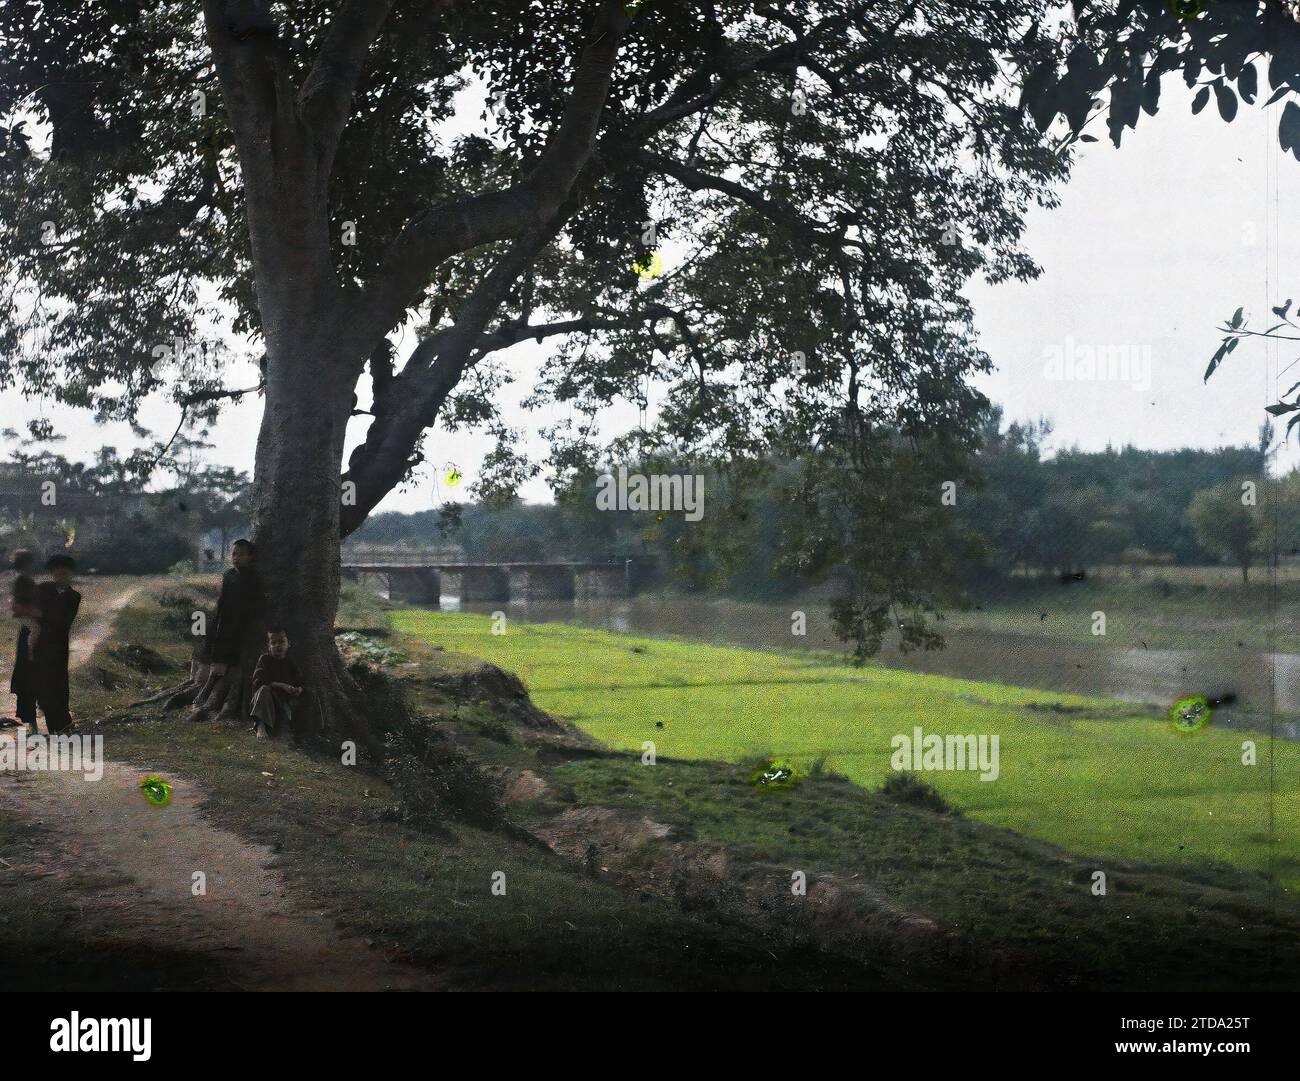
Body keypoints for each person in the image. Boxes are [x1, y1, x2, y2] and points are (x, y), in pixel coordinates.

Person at [189, 539, 262, 722]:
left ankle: (206, 697)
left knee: (229, 665)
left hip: (241, 628)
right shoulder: (228, 576)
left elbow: (253, 608)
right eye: (234, 554)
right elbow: (222, 603)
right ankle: (203, 695)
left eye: (241, 554)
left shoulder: (253, 579)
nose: (236, 558)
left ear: (250, 557)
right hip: (225, 624)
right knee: (216, 660)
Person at [34, 554, 81, 735]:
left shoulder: (74, 597)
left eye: (64, 573)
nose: (61, 576)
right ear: (53, 574)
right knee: (42, 684)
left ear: (70, 574)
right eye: (57, 573)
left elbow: (63, 622)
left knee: (59, 683)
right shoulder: (42, 590)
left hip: (58, 646)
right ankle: (54, 723)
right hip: (40, 644)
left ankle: (62, 722)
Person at [5, 550, 39, 729]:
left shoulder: (24, 580)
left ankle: (32, 722)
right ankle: (32, 722)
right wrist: (36, 614)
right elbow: (17, 609)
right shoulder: (22, 581)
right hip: (29, 628)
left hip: (28, 628)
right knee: (29, 673)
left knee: (30, 674)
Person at [249, 627, 302, 741]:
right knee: (263, 689)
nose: (278, 645)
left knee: (310, 694)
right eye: (273, 643)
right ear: (269, 647)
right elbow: (258, 680)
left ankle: (307, 730)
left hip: (283, 700)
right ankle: (261, 725)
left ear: (289, 644)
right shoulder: (265, 659)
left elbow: (299, 679)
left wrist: (298, 689)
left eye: (282, 642)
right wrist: (280, 685)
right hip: (266, 700)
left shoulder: (290, 662)